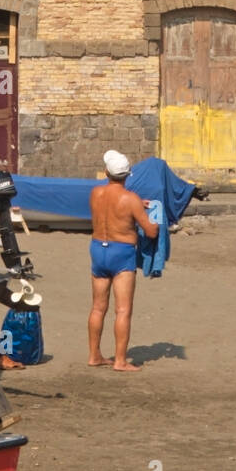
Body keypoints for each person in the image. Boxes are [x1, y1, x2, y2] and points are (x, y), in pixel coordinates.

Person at [88, 149, 158, 372]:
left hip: (99, 249)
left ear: (107, 172)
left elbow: (110, 210)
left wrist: (137, 205)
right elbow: (150, 232)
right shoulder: (131, 199)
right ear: (127, 175)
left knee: (98, 308)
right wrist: (153, 220)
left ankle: (94, 355)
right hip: (122, 251)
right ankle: (119, 360)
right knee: (123, 310)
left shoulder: (95, 193)